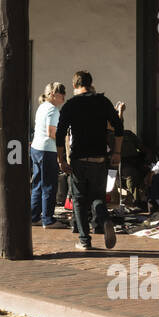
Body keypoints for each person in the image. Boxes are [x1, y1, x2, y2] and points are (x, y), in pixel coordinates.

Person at [56, 71, 125, 252]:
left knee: (78, 199)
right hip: (100, 158)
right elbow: (118, 127)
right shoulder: (103, 102)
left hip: (80, 159)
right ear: (90, 83)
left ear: (74, 85)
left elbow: (60, 133)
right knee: (98, 197)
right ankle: (105, 220)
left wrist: (61, 158)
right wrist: (117, 152)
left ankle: (84, 240)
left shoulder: (71, 105)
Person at [32, 82, 67, 228]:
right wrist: (63, 139)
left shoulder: (42, 107)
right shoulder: (53, 110)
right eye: (61, 93)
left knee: (38, 184)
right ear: (53, 94)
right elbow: (51, 133)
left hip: (36, 148)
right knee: (49, 185)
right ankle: (48, 219)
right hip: (47, 150)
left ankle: (33, 217)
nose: (64, 96)